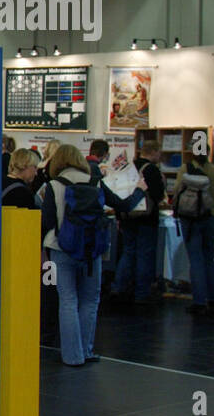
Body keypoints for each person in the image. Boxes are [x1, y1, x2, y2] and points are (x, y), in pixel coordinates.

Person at [41, 144, 145, 367]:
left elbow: (47, 223)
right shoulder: (95, 182)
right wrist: (140, 190)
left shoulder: (53, 185)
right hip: (91, 250)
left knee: (67, 300)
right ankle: (87, 350)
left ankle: (72, 356)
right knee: (90, 300)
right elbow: (122, 205)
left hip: (61, 249)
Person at [110, 140, 166, 305]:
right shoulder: (151, 170)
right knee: (145, 255)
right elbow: (158, 195)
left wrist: (120, 217)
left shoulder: (127, 167)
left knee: (128, 252)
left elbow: (118, 194)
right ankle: (141, 292)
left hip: (128, 217)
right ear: (154, 151)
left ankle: (119, 287)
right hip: (147, 219)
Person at [172, 148, 214, 316]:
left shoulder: (185, 169)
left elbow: (177, 193)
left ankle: (199, 302)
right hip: (212, 217)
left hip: (191, 219)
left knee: (195, 259)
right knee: (208, 258)